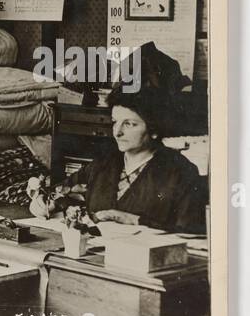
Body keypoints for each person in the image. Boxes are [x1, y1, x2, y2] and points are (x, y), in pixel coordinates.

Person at [29, 86, 206, 234]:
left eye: (129, 124)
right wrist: (47, 202)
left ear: (154, 129)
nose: (117, 132)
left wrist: (133, 220)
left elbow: (191, 232)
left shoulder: (180, 171)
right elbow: (61, 191)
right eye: (115, 122)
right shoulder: (105, 162)